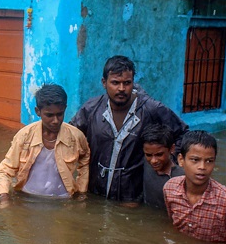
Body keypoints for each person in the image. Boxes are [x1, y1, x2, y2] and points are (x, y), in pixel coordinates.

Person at [70, 55, 187, 205]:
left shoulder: (151, 109)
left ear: (133, 82)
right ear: (104, 83)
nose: (121, 89)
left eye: (127, 83)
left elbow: (182, 135)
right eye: (115, 83)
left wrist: (166, 164)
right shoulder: (91, 109)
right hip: (95, 191)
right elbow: (70, 136)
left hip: (132, 196)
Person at [0, 84, 90, 201]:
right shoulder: (24, 136)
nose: (55, 121)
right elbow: (6, 169)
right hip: (26, 197)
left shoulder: (76, 137)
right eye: (49, 115)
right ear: (38, 111)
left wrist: (82, 191)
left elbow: (85, 159)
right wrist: (4, 197)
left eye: (59, 114)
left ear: (65, 109)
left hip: (62, 200)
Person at [141, 123, 184, 210]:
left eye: (159, 154)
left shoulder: (181, 177)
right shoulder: (146, 163)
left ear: (172, 149)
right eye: (149, 155)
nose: (153, 161)